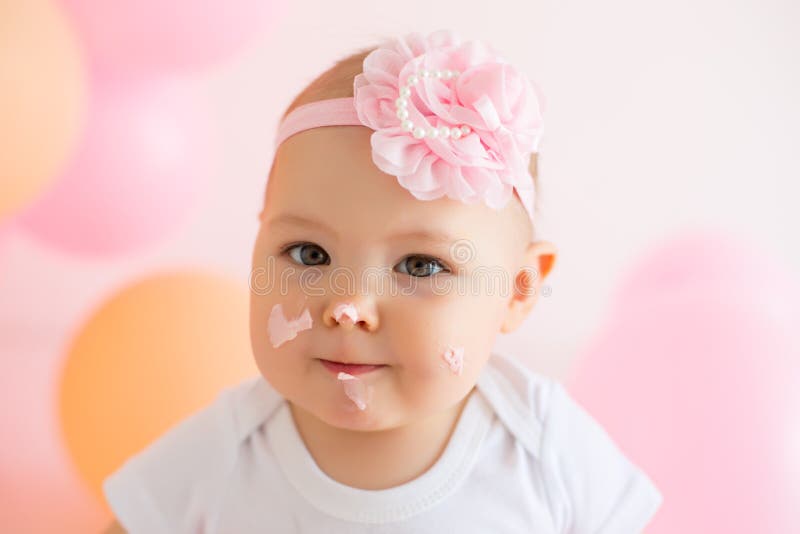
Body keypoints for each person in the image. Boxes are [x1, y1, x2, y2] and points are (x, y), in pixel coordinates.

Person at [102, 29, 663, 533]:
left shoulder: (541, 446)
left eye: (420, 265)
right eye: (308, 252)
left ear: (516, 290)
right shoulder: (225, 455)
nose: (348, 307)